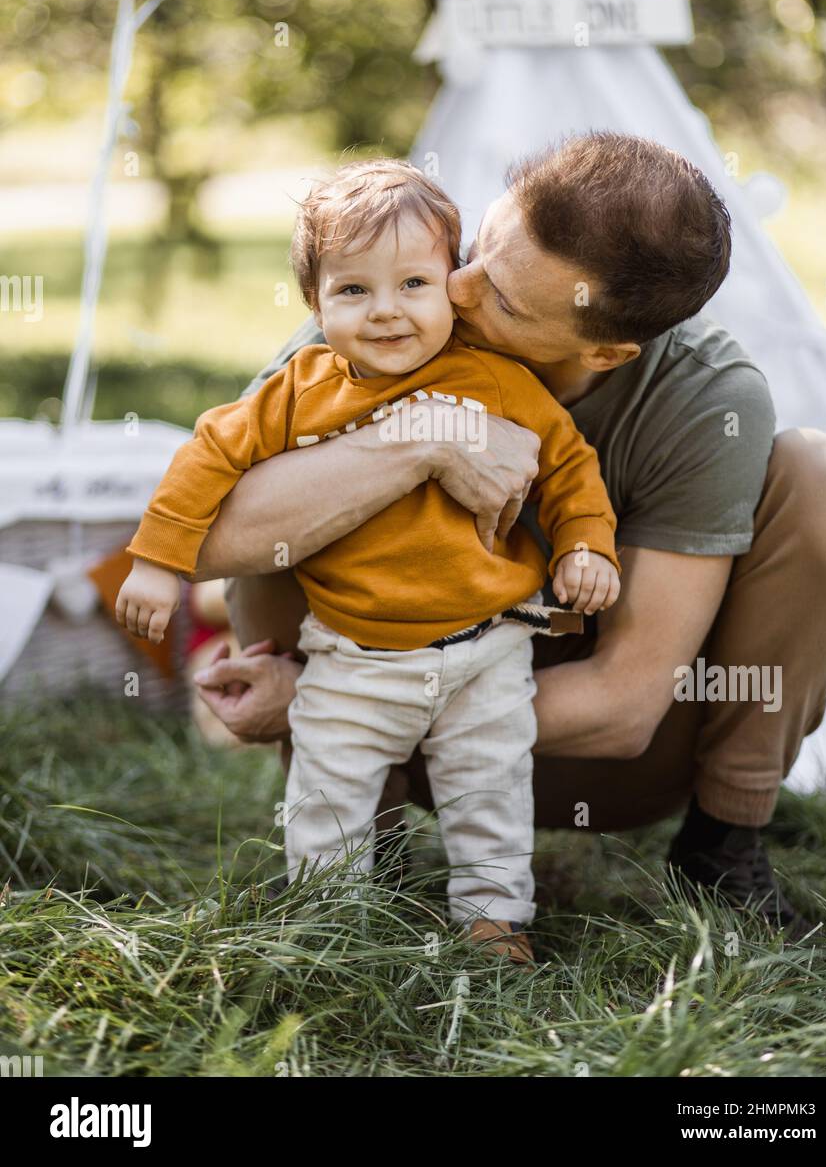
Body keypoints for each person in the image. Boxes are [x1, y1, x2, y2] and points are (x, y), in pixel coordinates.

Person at [190, 132, 826, 943]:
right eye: (478, 248)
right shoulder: (393, 316)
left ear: (607, 351)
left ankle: (724, 845)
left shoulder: (703, 398)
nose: (460, 289)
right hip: (381, 745)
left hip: (593, 756)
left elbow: (625, 705)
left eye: (505, 301)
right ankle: (365, 841)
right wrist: (418, 443)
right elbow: (203, 538)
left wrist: (326, 703)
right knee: (298, 479)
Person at [116, 159, 620, 963]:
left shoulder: (496, 380)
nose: (387, 313)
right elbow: (208, 457)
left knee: (488, 788)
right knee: (327, 795)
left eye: (414, 284)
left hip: (484, 648)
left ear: (451, 285)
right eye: (353, 292)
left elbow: (568, 467)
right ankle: (329, 923)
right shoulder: (298, 390)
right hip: (353, 651)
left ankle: (494, 921)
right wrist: (156, 562)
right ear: (315, 303)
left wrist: (586, 543)